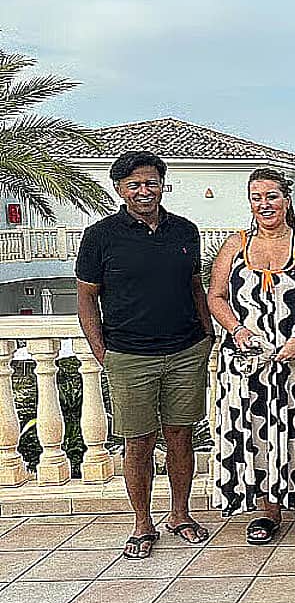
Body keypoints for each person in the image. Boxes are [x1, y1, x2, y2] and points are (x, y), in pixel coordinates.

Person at [76, 150, 214, 559]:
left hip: (186, 349)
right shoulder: (100, 236)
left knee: (181, 436)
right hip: (129, 354)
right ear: (119, 189)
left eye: (151, 182)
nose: (143, 190)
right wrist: (100, 348)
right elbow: (86, 298)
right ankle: (142, 523)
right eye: (134, 184)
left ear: (162, 185)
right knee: (137, 442)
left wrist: (206, 334)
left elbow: (194, 287)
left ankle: (180, 515)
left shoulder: (185, 231)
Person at [208, 168, 295, 556]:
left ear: (286, 200)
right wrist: (237, 331)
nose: (264, 204)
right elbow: (216, 297)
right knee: (255, 434)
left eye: (272, 196)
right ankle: (268, 511)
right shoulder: (235, 245)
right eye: (257, 197)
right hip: (246, 365)